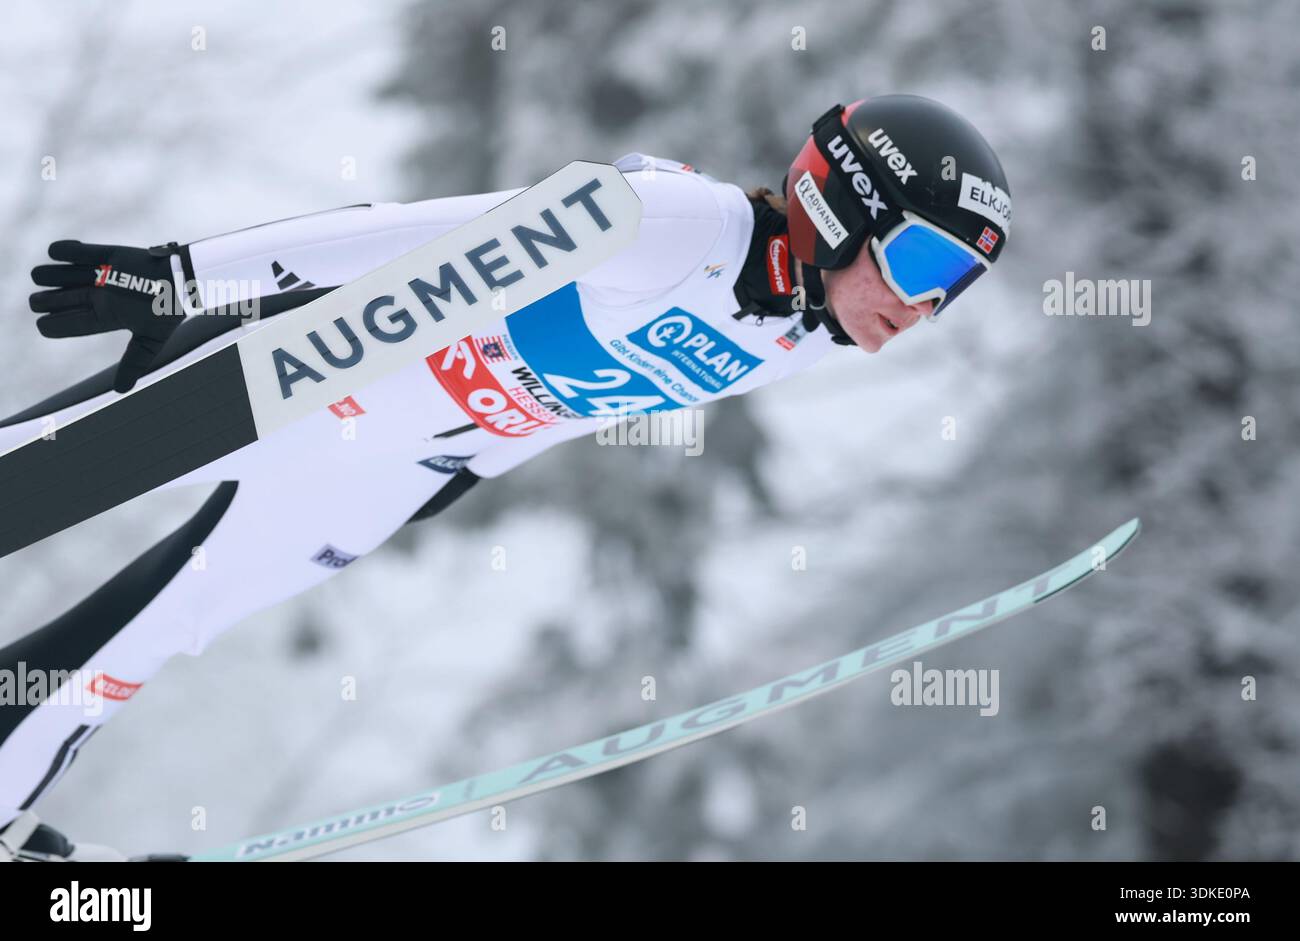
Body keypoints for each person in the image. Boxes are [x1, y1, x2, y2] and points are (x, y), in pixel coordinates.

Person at [0, 94, 1011, 861]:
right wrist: (188, 276)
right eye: (921, 267)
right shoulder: (672, 223)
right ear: (846, 204)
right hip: (322, 373)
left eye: (953, 290)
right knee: (32, 481)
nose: (922, 309)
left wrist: (452, 475)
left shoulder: (807, 336)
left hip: (397, 467)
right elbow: (413, 234)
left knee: (159, 628)